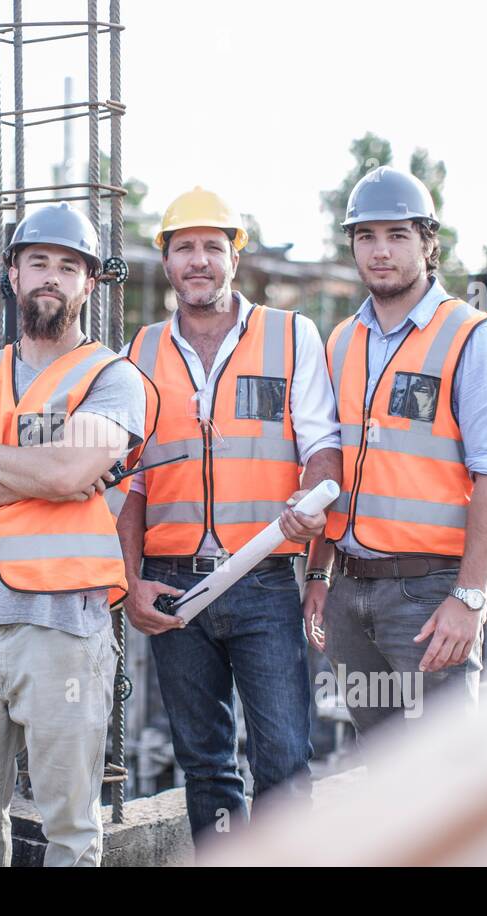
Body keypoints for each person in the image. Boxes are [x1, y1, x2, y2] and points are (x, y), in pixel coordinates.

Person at [0, 203, 152, 866]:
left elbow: (75, 469)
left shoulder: (112, 377)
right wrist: (42, 474)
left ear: (91, 284)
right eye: (38, 262)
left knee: (69, 832)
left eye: (68, 267)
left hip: (63, 628)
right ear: (12, 274)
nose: (52, 277)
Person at [117, 186, 342, 847]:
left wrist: (313, 500)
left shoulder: (291, 335)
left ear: (234, 258)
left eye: (212, 247)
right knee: (206, 767)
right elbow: (130, 488)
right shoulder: (141, 351)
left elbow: (323, 449)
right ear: (166, 260)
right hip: (172, 585)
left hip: (265, 580)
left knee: (283, 761)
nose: (198, 261)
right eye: (184, 247)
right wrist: (130, 583)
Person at [309, 165, 487, 736]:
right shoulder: (341, 342)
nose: (380, 251)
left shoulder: (475, 340)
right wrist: (318, 578)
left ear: (429, 244)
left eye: (397, 235)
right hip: (350, 591)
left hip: (430, 595)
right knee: (378, 765)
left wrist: (469, 597)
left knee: (448, 771)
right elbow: (334, 465)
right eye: (366, 237)